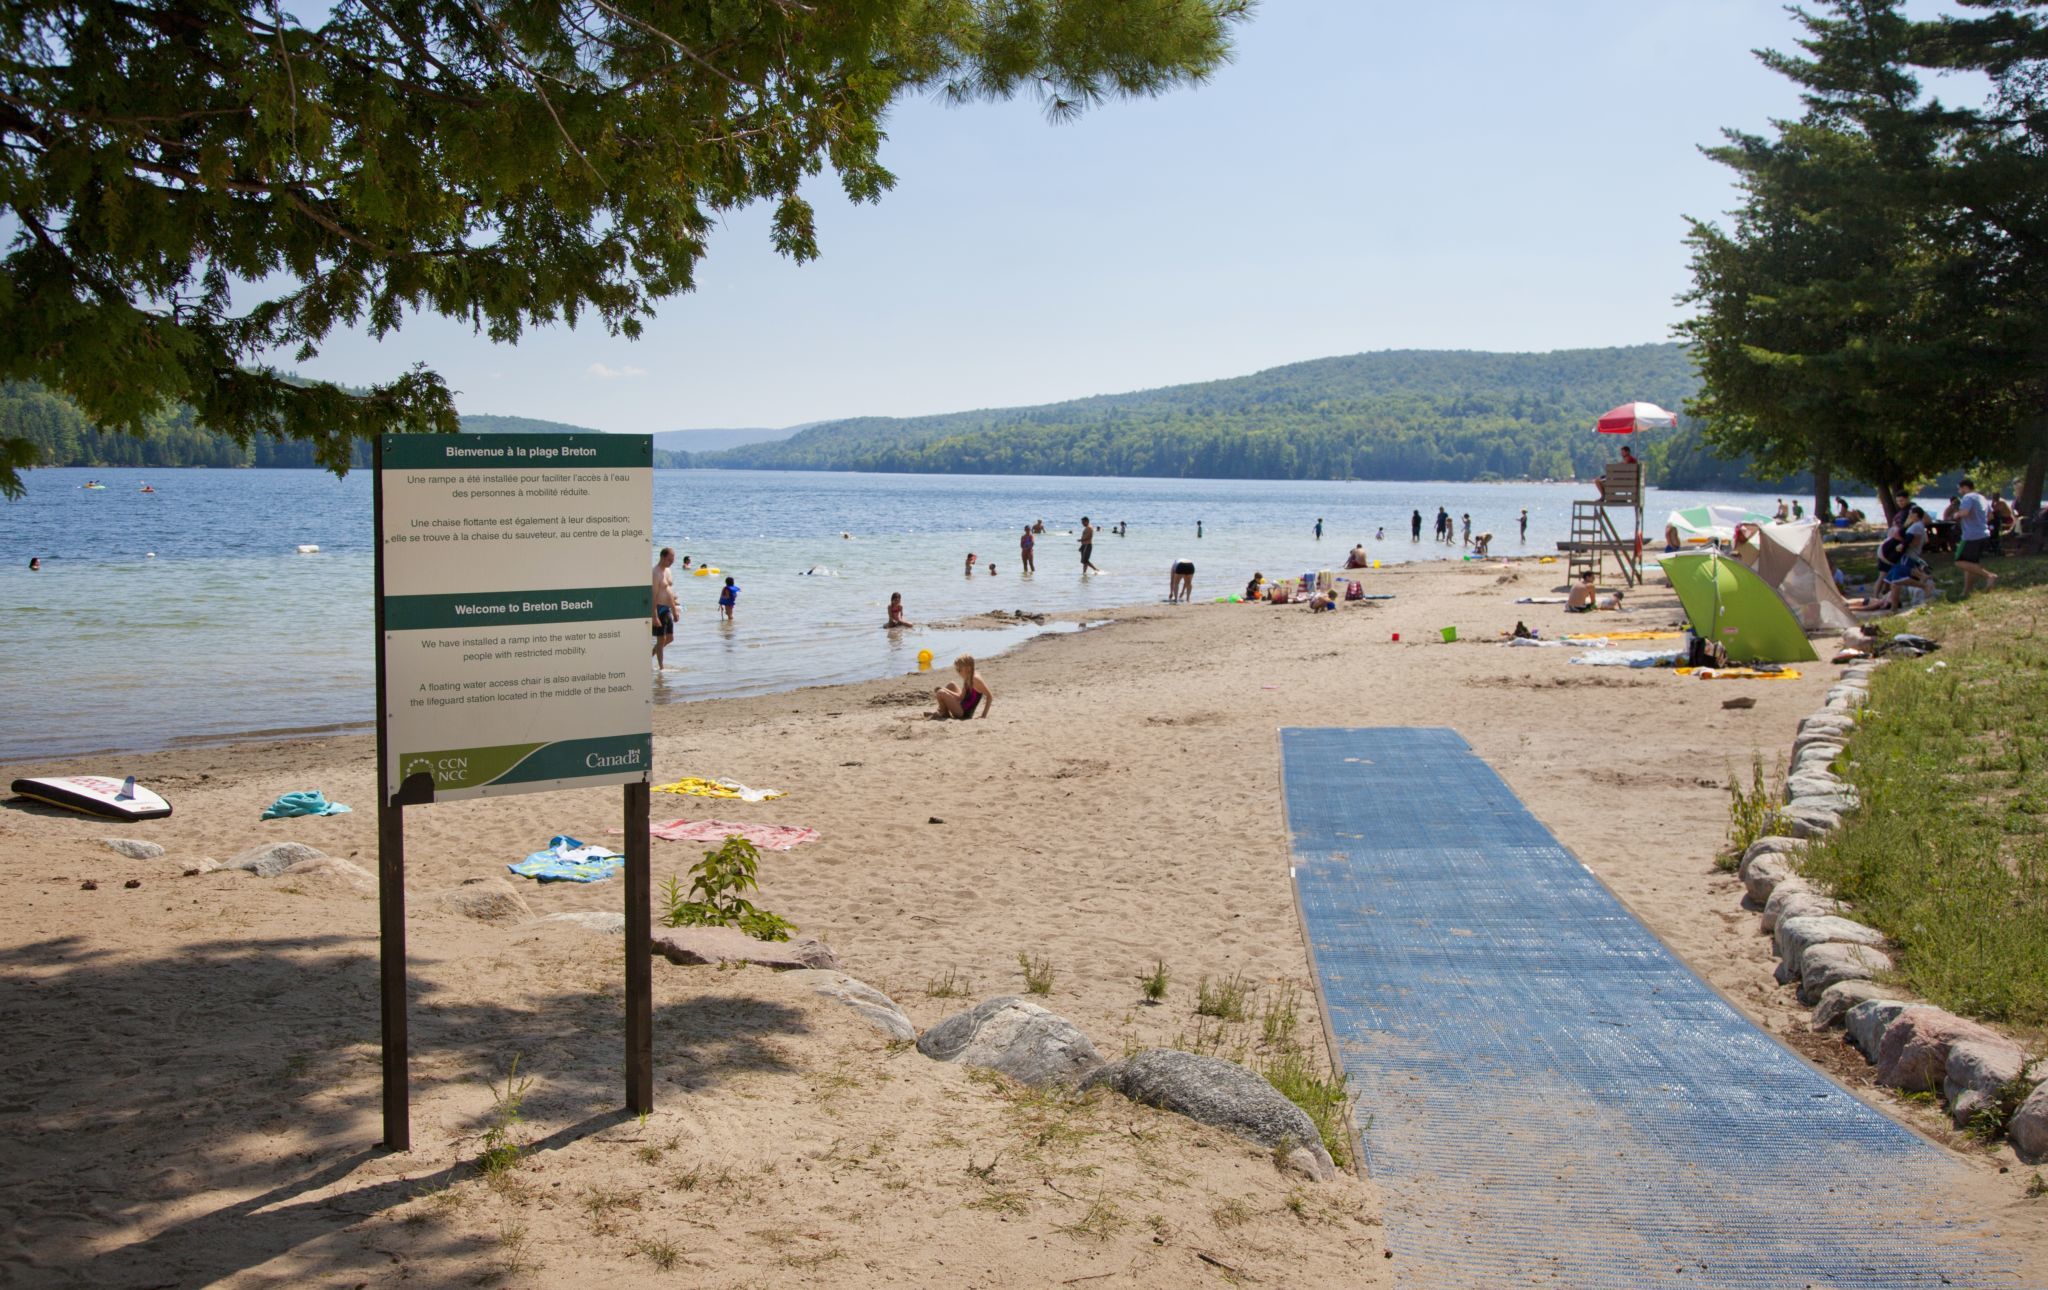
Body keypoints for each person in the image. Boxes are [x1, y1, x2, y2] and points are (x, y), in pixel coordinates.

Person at [1954, 477, 1998, 596]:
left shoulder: (1968, 497)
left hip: (1970, 536)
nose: (1959, 492)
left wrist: (1956, 514)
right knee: (1970, 564)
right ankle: (1966, 591)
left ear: (1965, 488)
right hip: (1983, 534)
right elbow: (1990, 516)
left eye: (1960, 489)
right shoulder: (1982, 497)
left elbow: (1965, 512)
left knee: (1959, 562)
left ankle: (1989, 576)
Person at [931, 654, 992, 720]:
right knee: (951, 684)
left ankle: (944, 713)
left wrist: (983, 715)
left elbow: (989, 696)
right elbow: (960, 697)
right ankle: (940, 711)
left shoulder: (975, 679)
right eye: (957, 670)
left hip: (963, 713)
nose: (958, 672)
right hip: (961, 705)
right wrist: (945, 689)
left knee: (940, 693)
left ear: (968, 668)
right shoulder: (968, 677)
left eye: (959, 670)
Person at [651, 547, 679, 669]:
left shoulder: (668, 571)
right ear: (662, 557)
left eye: (673, 559)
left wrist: (674, 610)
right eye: (669, 559)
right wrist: (654, 616)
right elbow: (653, 595)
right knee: (661, 640)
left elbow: (669, 591)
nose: (671, 562)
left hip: (668, 608)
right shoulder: (655, 573)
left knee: (670, 638)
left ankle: (649, 655)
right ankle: (661, 668)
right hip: (659, 608)